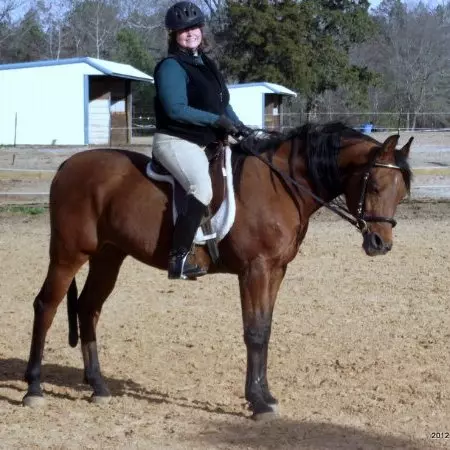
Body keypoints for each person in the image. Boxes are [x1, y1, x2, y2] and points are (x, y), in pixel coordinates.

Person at [153, 1, 251, 280]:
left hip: (207, 141)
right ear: (173, 34)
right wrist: (216, 121)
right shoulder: (170, 67)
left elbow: (223, 105)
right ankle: (179, 257)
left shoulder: (206, 63)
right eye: (183, 29)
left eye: (194, 27)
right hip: (176, 140)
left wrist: (239, 126)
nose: (190, 32)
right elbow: (176, 109)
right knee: (201, 188)